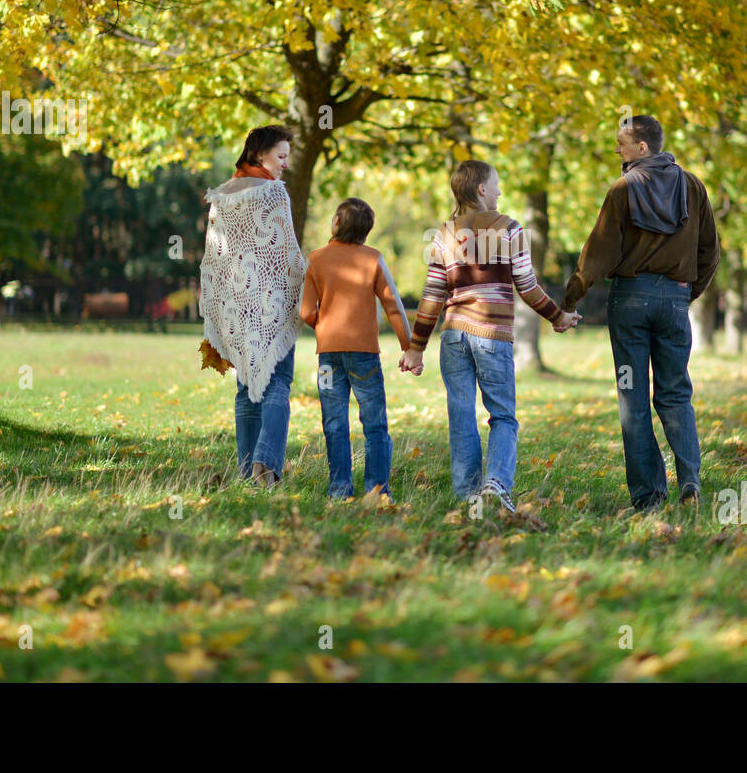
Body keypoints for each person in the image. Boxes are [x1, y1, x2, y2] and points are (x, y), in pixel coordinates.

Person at [400, 160, 581, 513]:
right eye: (496, 185)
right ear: (482, 189)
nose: (499, 192)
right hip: (492, 333)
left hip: (453, 335)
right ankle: (496, 486)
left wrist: (416, 348)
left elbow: (433, 296)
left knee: (462, 415)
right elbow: (527, 287)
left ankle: (468, 496)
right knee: (502, 415)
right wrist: (557, 317)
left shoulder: (444, 234)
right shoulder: (510, 229)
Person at [562, 115, 720, 512]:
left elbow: (598, 254)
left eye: (621, 143)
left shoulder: (622, 190)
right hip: (674, 301)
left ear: (642, 148)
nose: (617, 150)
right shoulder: (693, 186)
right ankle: (690, 480)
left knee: (632, 398)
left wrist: (569, 300)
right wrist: (685, 294)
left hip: (630, 301)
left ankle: (648, 498)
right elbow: (709, 251)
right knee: (675, 393)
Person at [198, 125, 307, 488]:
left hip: (237, 307)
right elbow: (287, 255)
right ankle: (266, 465)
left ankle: (247, 474)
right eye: (281, 157)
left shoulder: (222, 195)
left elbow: (214, 259)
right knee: (277, 383)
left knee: (247, 390)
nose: (285, 165)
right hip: (272, 305)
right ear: (260, 154)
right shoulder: (275, 193)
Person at [301, 198, 411, 501]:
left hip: (328, 357)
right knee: (375, 423)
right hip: (365, 355)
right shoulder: (373, 259)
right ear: (367, 232)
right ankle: (376, 490)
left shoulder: (315, 259)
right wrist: (408, 346)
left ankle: (339, 490)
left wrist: (324, 327)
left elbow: (305, 312)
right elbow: (393, 305)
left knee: (334, 422)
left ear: (336, 222)